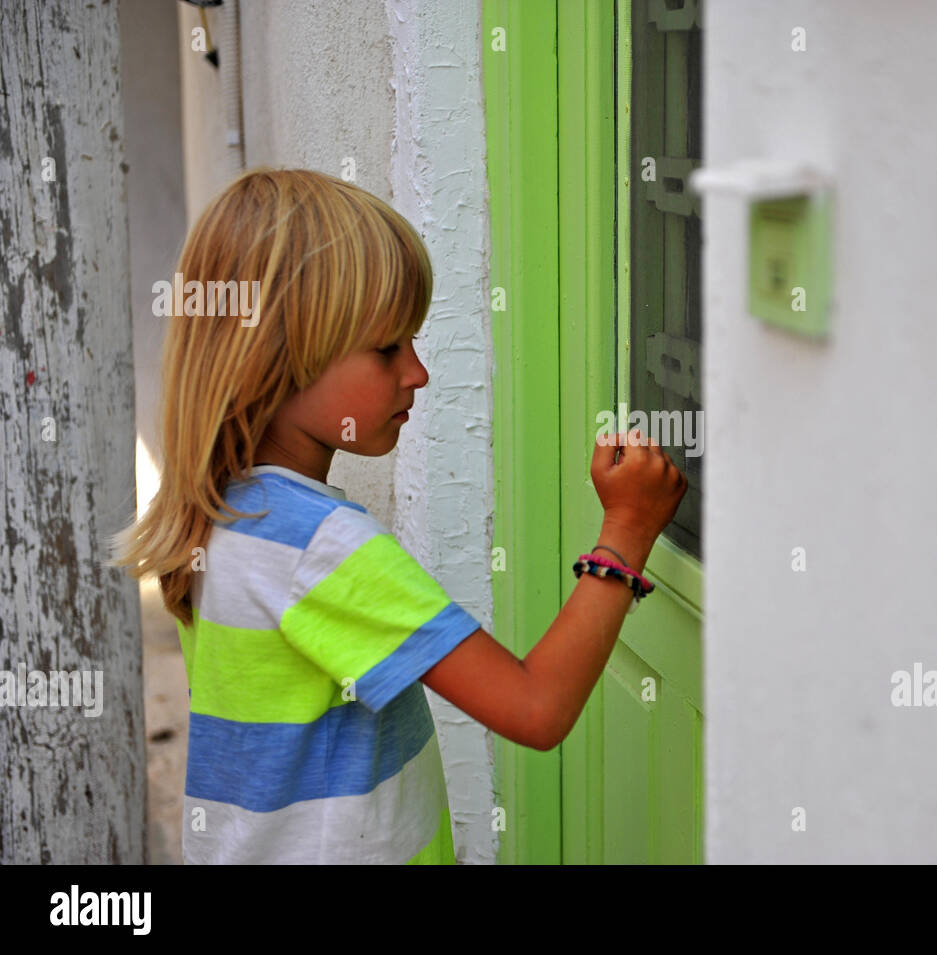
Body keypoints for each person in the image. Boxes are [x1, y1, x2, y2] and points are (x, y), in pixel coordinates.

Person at [111, 168, 686, 864]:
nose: (417, 373)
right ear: (274, 358)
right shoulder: (322, 547)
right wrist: (625, 532)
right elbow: (535, 709)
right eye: (387, 348)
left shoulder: (216, 513)